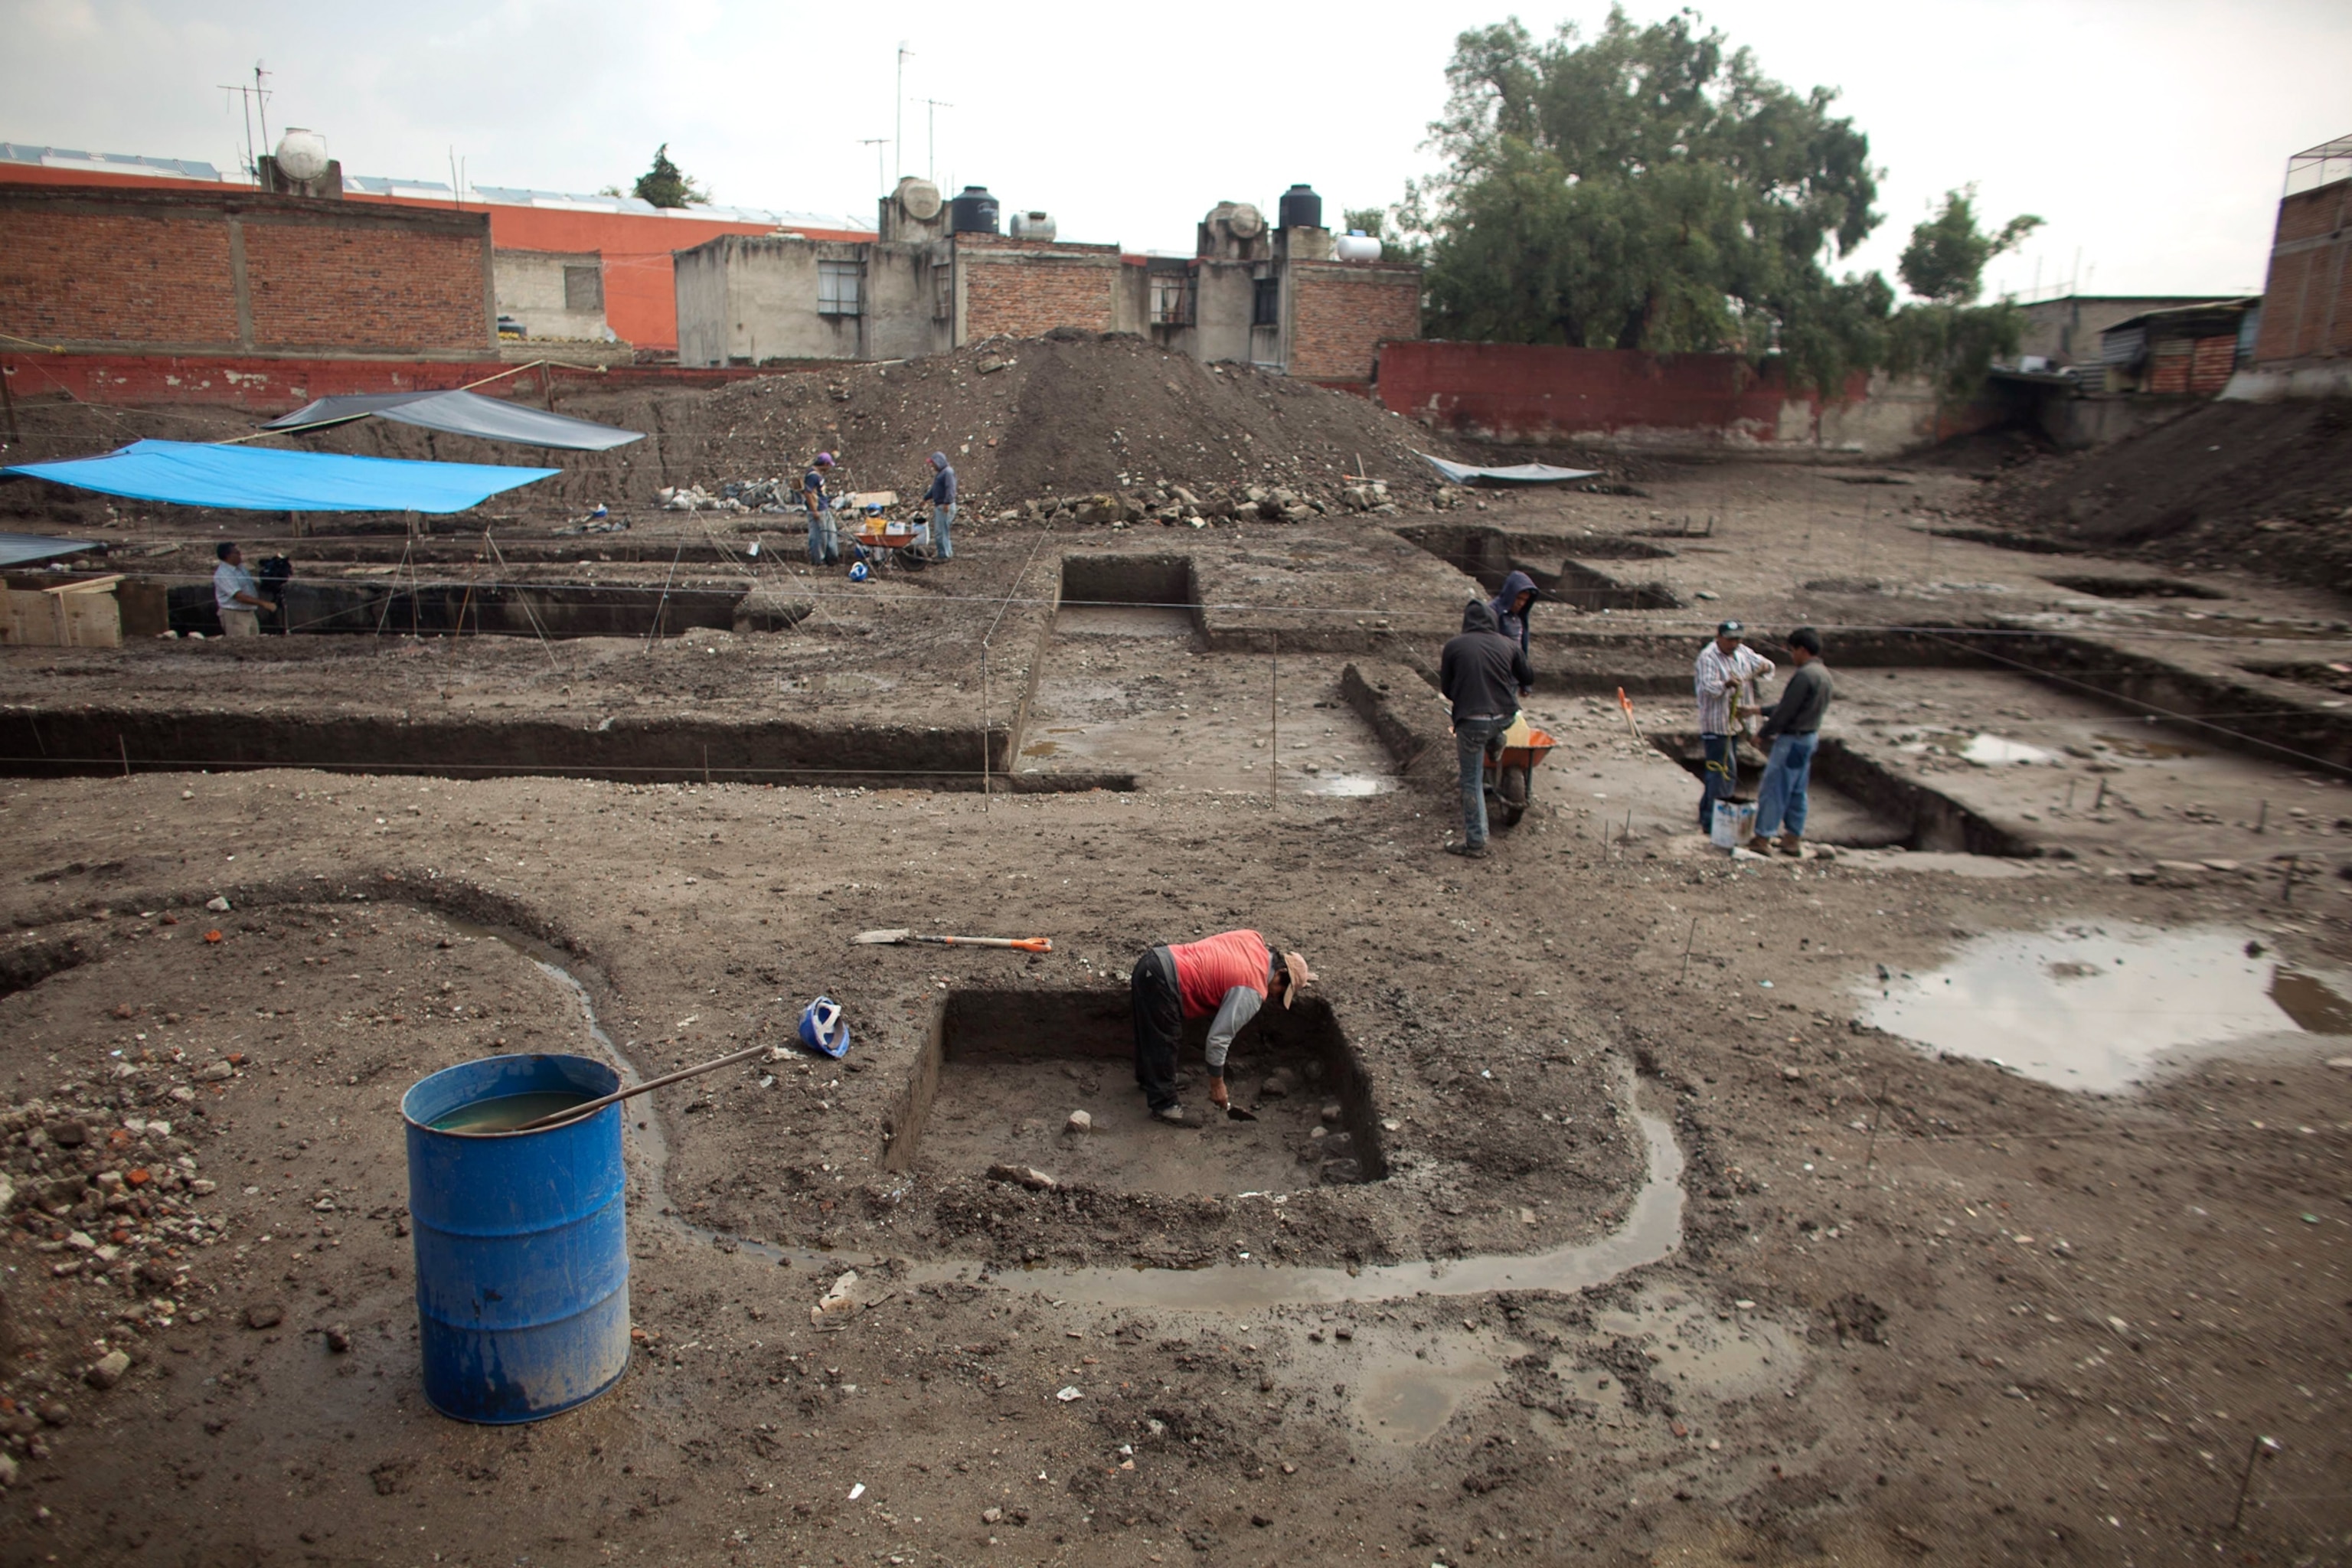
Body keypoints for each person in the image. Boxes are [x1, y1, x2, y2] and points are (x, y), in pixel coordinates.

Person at [1130, 929, 1314, 1125]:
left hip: (1154, 961)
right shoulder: (1252, 991)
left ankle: (1151, 1079)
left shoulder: (1254, 938)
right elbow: (1218, 1039)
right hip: (1164, 981)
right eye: (1280, 992)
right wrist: (1217, 1085)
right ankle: (1164, 1105)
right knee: (1165, 1039)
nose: (1273, 997)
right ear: (1280, 973)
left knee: (1152, 1031)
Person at [1438, 599, 1534, 858]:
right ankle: (1496, 740)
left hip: (1472, 722)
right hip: (1505, 715)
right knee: (1492, 730)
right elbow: (1528, 677)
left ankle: (1476, 843)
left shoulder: (1454, 646)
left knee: (1471, 781)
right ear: (1492, 621)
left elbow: (1446, 689)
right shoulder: (1508, 644)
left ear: (1466, 621)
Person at [1747, 627, 1834, 856]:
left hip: (1791, 740)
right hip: (1808, 739)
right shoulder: (1824, 675)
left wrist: (1762, 733)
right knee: (1796, 790)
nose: (1792, 656)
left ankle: (1762, 837)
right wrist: (1757, 710)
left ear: (1802, 650)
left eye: (1793, 651)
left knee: (1774, 788)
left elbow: (1785, 711)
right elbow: (1794, 707)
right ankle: (1793, 838)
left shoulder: (1804, 676)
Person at [1693, 620, 1775, 834]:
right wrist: (1727, 684)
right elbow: (1710, 689)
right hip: (1717, 724)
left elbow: (1767, 666)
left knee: (1720, 771)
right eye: (1730, 639)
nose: (1734, 643)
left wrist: (1765, 667)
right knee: (1722, 772)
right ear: (1718, 636)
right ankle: (1713, 822)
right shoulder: (1708, 658)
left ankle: (1706, 816)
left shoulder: (1743, 652)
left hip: (1735, 724)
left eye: (1737, 639)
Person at [1488, 570, 1541, 694]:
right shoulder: (1491, 613)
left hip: (1512, 678)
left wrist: (1524, 682)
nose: (1521, 604)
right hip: (1494, 677)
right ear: (1510, 594)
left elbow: (1522, 649)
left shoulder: (1520, 617)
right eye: (1518, 598)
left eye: (1524, 600)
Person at [212, 542, 270, 638]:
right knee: (241, 643)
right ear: (228, 556)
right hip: (235, 615)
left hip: (249, 612)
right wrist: (263, 603)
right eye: (237, 553)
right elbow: (239, 597)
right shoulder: (224, 574)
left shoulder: (241, 569)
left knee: (255, 642)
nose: (240, 555)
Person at [802, 452, 839, 566]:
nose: (829, 468)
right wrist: (814, 511)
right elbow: (808, 493)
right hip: (818, 510)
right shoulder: (812, 476)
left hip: (824, 508)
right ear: (824, 464)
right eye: (829, 465)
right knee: (819, 537)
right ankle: (818, 561)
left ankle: (831, 559)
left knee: (830, 534)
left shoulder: (818, 475)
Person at [923, 451, 956, 562]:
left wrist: (947, 503)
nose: (932, 466)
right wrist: (926, 498)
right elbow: (934, 490)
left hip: (944, 506)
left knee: (940, 532)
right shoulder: (941, 474)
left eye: (933, 463)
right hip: (941, 505)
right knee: (942, 531)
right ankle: (947, 552)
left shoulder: (948, 473)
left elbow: (950, 489)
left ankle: (944, 555)